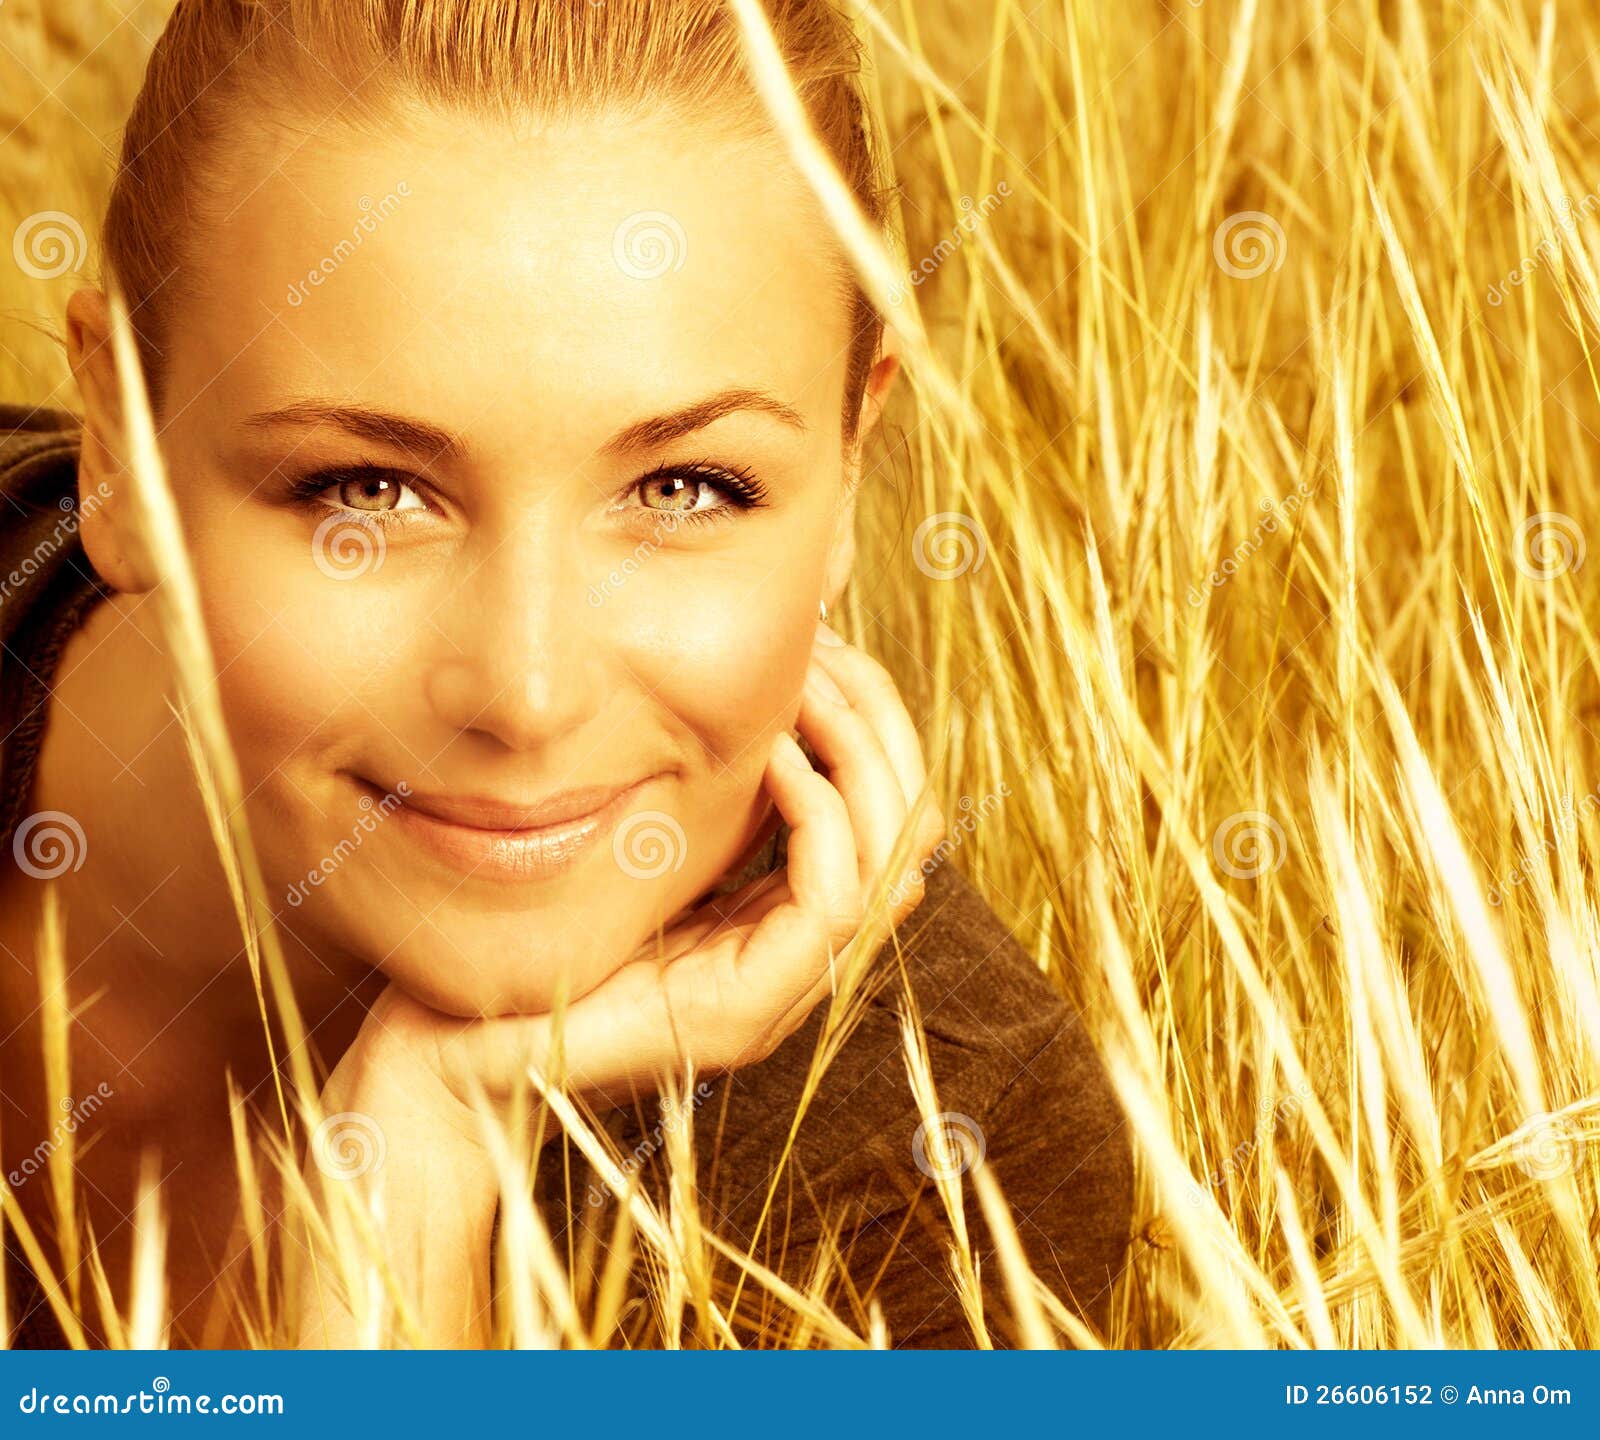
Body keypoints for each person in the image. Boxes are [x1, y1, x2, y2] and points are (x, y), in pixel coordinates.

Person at [0, 0, 1133, 1348]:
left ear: (846, 471)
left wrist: (419, 1167)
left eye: (686, 488)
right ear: (120, 448)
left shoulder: (939, 1153)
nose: (527, 696)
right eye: (366, 489)